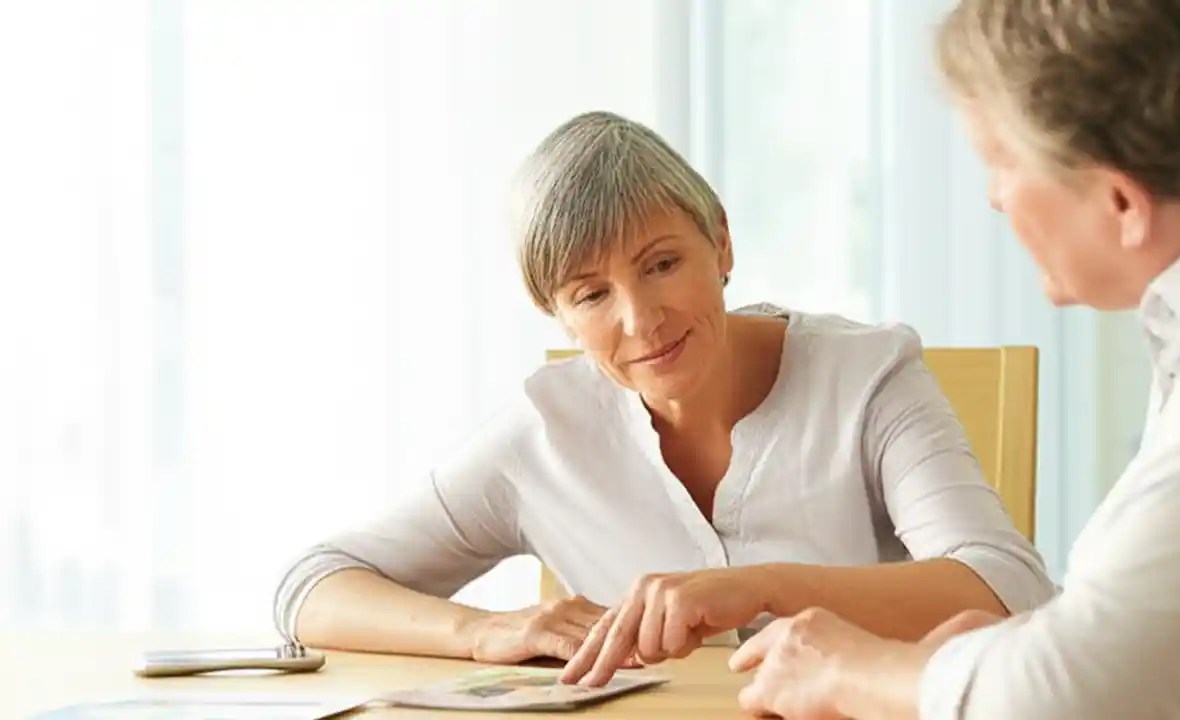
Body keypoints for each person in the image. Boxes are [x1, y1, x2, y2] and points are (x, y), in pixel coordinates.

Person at [272, 111, 1052, 683]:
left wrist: (760, 587)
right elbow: (312, 589)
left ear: (721, 242)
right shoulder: (542, 434)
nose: (640, 319)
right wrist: (486, 631)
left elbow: (1009, 587)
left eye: (661, 263)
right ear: (558, 315)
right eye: (590, 294)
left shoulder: (867, 376)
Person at [729, 1, 1180, 718]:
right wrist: (1002, 657)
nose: (994, 198)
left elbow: (1080, 696)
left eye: (1002, 160)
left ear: (1120, 201)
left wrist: (852, 671)